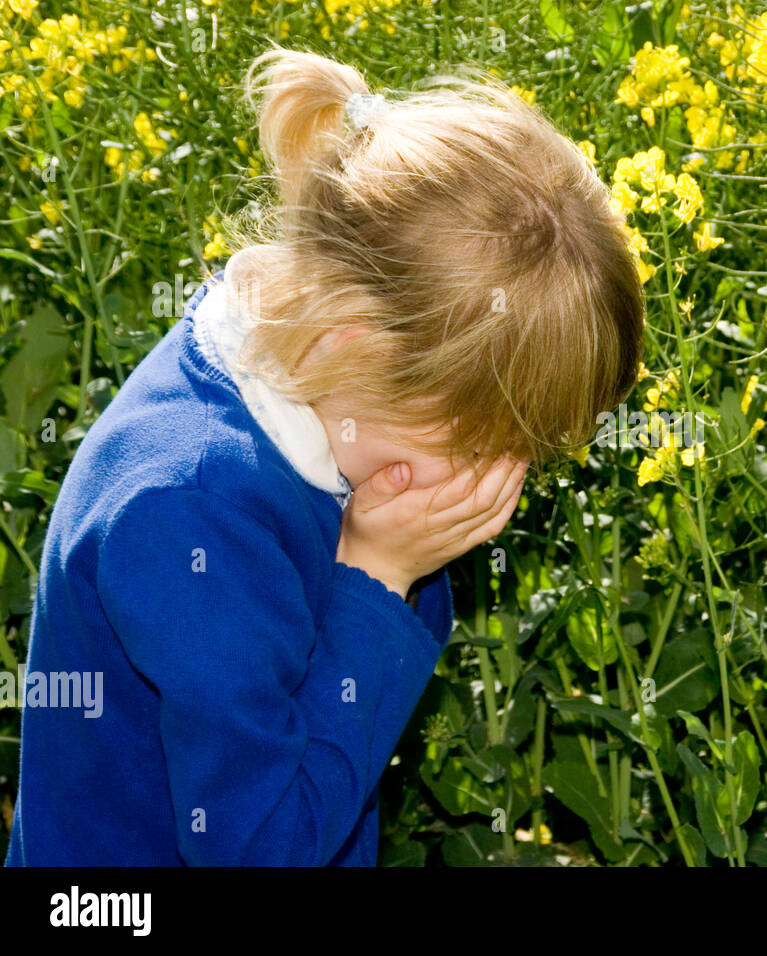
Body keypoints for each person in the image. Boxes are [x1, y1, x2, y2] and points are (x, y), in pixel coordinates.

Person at [4, 45, 644, 865]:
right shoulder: (188, 513)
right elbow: (261, 846)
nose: (498, 475)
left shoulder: (287, 357)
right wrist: (379, 579)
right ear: (354, 348)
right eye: (480, 441)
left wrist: (392, 557)